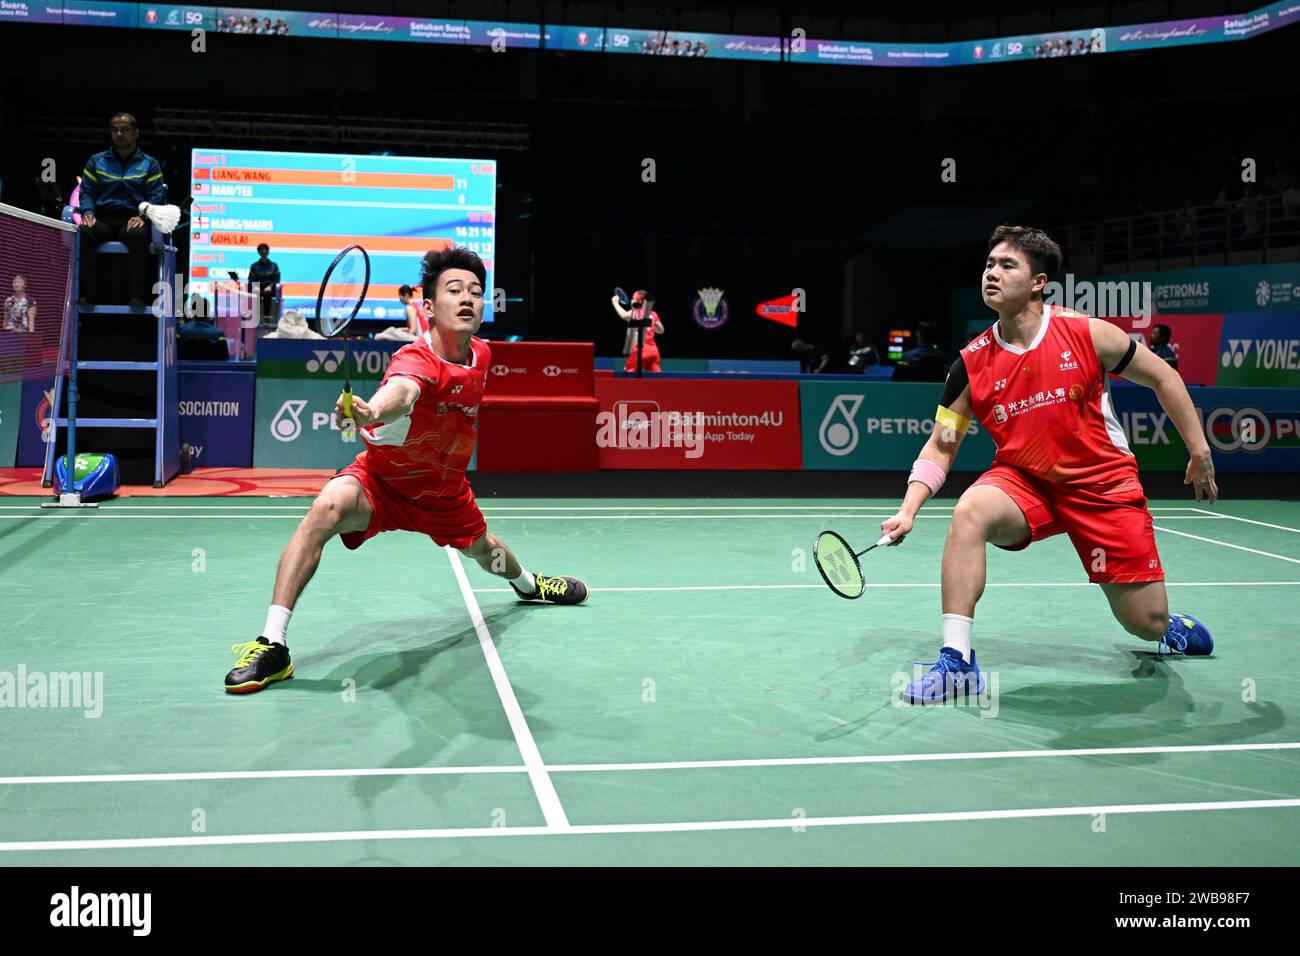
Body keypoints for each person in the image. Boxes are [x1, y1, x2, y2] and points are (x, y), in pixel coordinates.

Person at [225, 247, 589, 694]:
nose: (468, 299)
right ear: (430, 308)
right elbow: (402, 392)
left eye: (476, 291)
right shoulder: (415, 360)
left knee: (485, 550)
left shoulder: (485, 355)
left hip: (443, 493)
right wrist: (370, 410)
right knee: (325, 510)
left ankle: (530, 585)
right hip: (382, 484)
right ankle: (272, 645)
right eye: (454, 290)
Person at [880, 225, 1217, 705]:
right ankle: (957, 662)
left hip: (1101, 484)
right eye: (989, 264)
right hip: (1026, 481)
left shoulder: (1087, 333)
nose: (992, 273)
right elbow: (942, 444)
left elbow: (1163, 376)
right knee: (970, 511)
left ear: (1039, 282)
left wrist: (1199, 450)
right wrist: (908, 509)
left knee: (1145, 623)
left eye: (1007, 265)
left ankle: (1168, 626)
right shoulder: (971, 363)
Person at [77, 112, 166, 307]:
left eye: (125, 130)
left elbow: (156, 196)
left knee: (138, 235)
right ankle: (89, 294)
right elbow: (87, 192)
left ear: (136, 133)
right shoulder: (96, 161)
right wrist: (88, 212)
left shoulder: (150, 164)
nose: (119, 134)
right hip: (104, 219)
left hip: (133, 219)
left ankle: (137, 296)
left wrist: (143, 215)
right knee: (84, 232)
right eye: (115, 130)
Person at [611, 289, 664, 372]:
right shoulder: (653, 314)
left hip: (640, 350)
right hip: (654, 351)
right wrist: (651, 326)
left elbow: (624, 315)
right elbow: (661, 330)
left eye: (633, 298)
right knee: (657, 379)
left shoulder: (635, 313)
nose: (631, 300)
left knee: (627, 377)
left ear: (638, 301)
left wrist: (615, 303)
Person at [177, 296, 230, 361]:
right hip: (212, 370)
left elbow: (176, 356)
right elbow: (225, 359)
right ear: (207, 311)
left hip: (184, 370)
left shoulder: (181, 332)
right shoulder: (219, 334)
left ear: (193, 312)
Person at [247, 243, 280, 323]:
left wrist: (270, 286)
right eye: (261, 250)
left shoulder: (273, 265)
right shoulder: (254, 266)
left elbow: (276, 279)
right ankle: (255, 318)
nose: (264, 251)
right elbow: (251, 279)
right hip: (257, 287)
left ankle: (266, 318)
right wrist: (254, 286)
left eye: (265, 249)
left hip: (269, 288)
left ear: (268, 252)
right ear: (259, 252)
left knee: (267, 295)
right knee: (256, 294)